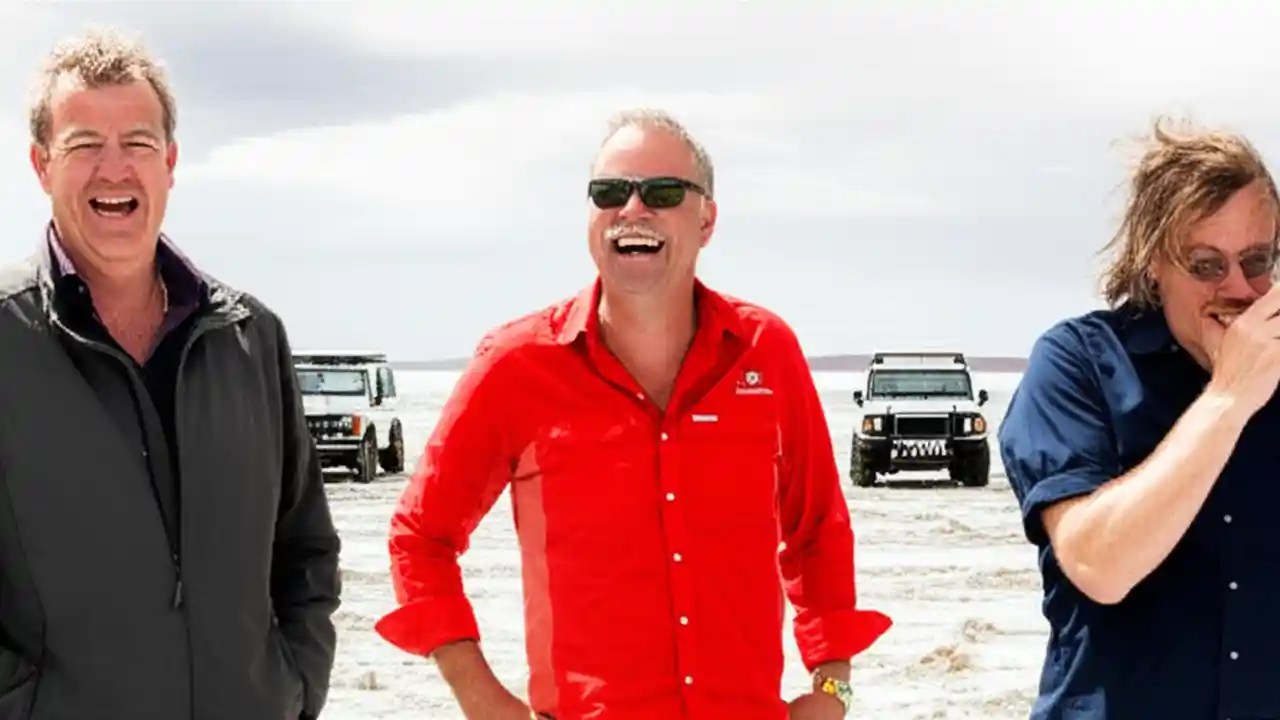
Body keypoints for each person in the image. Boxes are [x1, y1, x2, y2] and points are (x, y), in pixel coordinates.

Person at [374, 108, 892, 719]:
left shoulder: (765, 351)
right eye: (610, 192)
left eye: (663, 192)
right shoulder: (517, 365)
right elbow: (422, 537)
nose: (633, 209)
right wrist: (482, 697)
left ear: (707, 220)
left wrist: (832, 690)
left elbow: (817, 533)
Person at [0, 28, 341, 720]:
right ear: (41, 165)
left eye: (139, 143)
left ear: (172, 162)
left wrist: (293, 689)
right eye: (83, 145)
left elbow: (304, 552)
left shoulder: (251, 338)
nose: (114, 169)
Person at [998, 118, 1280, 719]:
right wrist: (1229, 399)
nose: (1239, 288)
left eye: (1257, 261)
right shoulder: (1078, 364)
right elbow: (1100, 565)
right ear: (1154, 261)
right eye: (1207, 265)